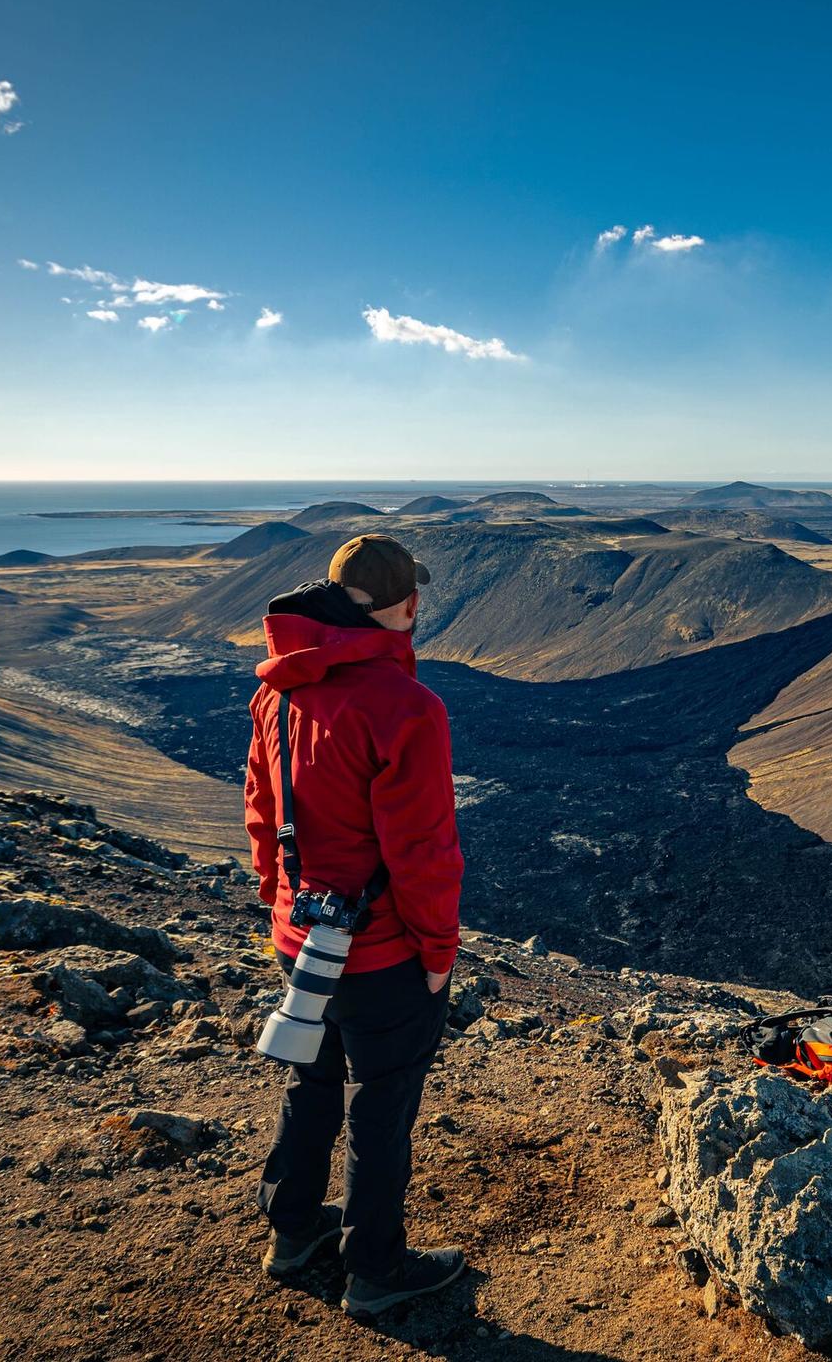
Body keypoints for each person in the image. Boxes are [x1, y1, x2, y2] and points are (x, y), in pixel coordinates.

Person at [243, 532, 467, 1316]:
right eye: (416, 596)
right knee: (382, 1104)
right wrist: (437, 953)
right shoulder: (407, 707)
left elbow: (262, 814)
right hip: (381, 957)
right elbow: (423, 851)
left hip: (300, 939)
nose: (419, 606)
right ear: (402, 605)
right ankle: (375, 1269)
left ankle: (292, 1230)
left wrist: (280, 906)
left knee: (311, 1083)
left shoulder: (278, 691)